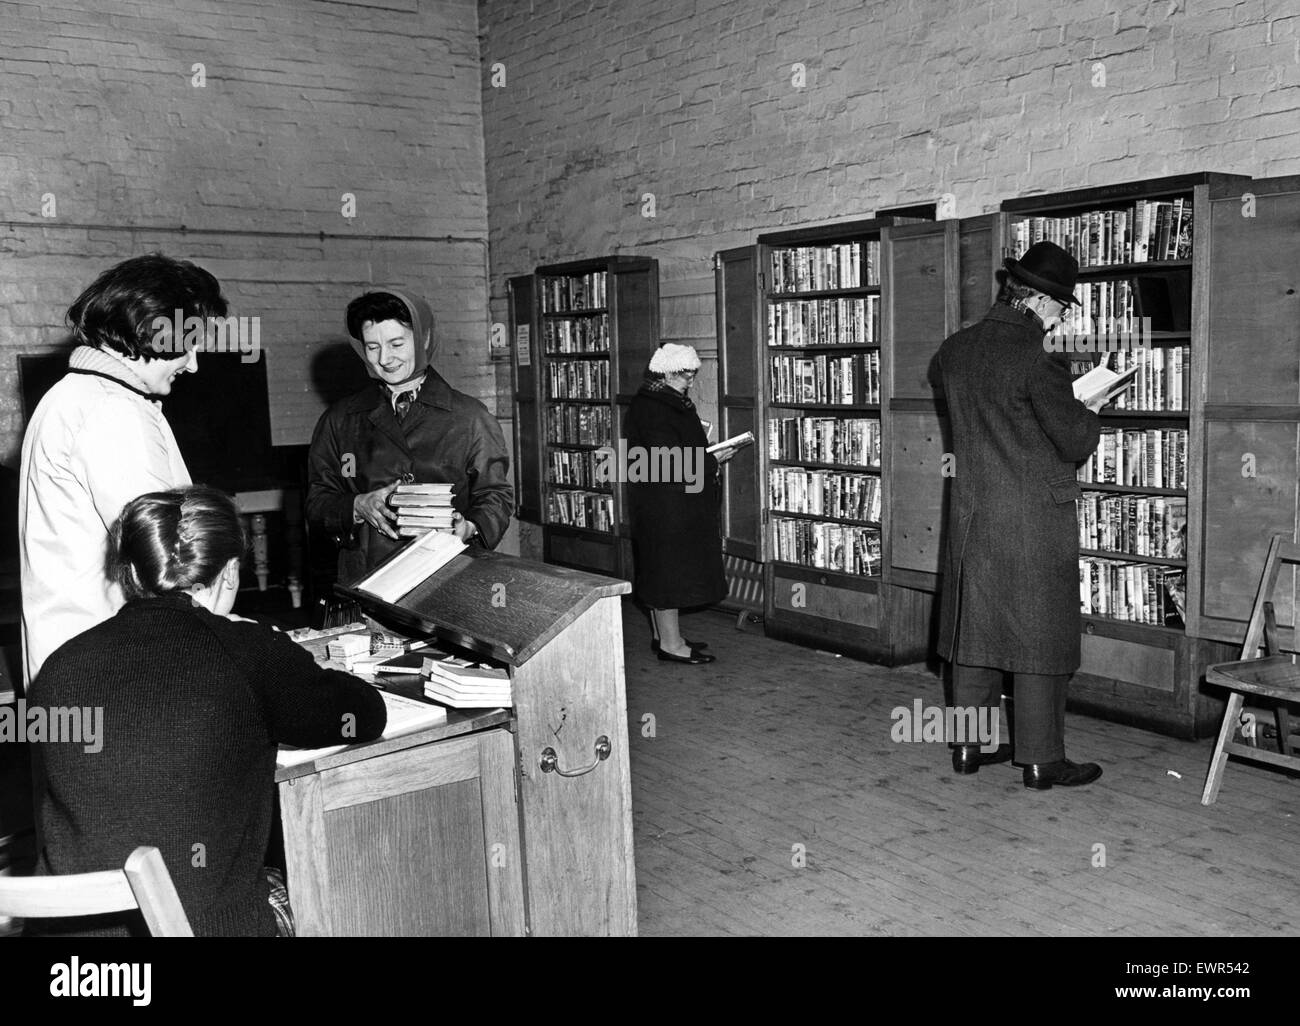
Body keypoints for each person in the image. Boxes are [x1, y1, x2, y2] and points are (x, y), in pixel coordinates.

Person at [29, 486, 387, 936]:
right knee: (333, 891)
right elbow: (365, 714)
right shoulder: (245, 651)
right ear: (232, 571)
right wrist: (274, 647)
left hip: (79, 965)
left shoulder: (59, 666)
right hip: (200, 931)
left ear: (131, 575)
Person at [929, 241, 1104, 790]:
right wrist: (1091, 409)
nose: (1060, 319)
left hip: (974, 513)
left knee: (974, 629)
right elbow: (1073, 440)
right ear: (1040, 303)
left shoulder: (953, 351)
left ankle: (968, 746)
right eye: (1062, 308)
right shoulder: (1037, 360)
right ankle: (1040, 758)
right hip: (1033, 517)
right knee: (1039, 636)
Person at [19, 253, 227, 687]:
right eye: (187, 344)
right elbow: (175, 564)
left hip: (87, 667)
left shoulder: (82, 396)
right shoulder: (112, 411)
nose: (192, 363)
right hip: (117, 675)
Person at [306, 289, 514, 583]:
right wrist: (356, 505)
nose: (385, 358)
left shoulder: (470, 417)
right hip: (366, 578)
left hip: (447, 574)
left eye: (396, 343)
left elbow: (496, 496)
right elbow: (317, 503)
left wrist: (468, 527)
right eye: (372, 346)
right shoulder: (340, 420)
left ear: (424, 339)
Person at [624, 344, 730, 665]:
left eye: (693, 374)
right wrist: (712, 461)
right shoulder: (656, 407)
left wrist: (706, 450)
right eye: (686, 374)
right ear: (667, 373)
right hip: (665, 505)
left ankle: (665, 636)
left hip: (666, 502)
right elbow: (667, 462)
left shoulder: (660, 402)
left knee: (662, 568)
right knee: (666, 572)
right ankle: (671, 645)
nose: (691, 381)